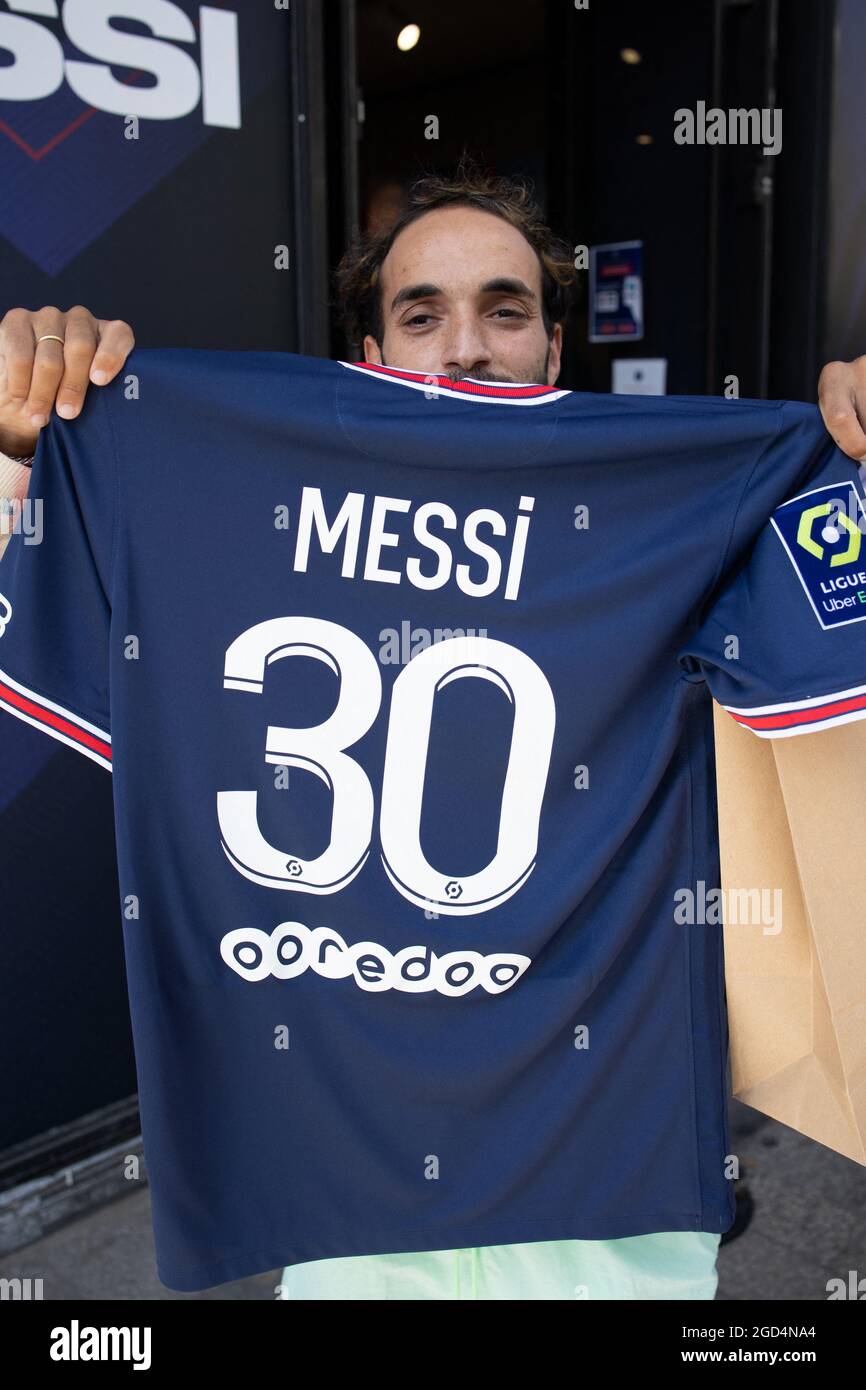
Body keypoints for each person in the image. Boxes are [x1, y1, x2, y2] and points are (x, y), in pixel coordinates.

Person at [1, 165, 865, 1300]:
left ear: (554, 351)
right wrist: (24, 444)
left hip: (601, 1152)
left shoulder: (682, 494)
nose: (465, 346)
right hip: (340, 1165)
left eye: (504, 309)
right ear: (368, 358)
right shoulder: (197, 482)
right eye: (422, 314)